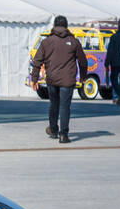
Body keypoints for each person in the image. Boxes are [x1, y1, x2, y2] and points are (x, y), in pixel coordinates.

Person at [29, 15, 87, 143]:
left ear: (54, 26)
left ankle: (54, 130)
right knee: (65, 106)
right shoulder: (74, 41)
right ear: (66, 26)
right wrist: (83, 76)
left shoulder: (46, 42)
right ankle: (63, 135)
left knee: (54, 104)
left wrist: (34, 79)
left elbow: (37, 61)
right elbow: (83, 61)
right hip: (68, 80)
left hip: (52, 79)